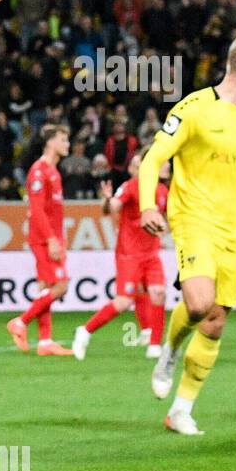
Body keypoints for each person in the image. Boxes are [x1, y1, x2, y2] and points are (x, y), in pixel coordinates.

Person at [139, 34, 236, 435]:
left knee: (215, 322)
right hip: (194, 220)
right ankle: (170, 349)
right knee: (199, 304)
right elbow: (154, 159)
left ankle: (180, 409)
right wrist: (149, 204)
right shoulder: (193, 108)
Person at [72, 149, 169, 361]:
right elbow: (112, 208)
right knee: (124, 302)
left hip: (152, 253)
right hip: (129, 254)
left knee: (158, 293)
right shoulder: (131, 186)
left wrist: (164, 226)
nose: (167, 165)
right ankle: (85, 331)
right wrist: (107, 200)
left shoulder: (162, 190)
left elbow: (167, 218)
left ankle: (154, 345)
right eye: (162, 162)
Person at [7, 124, 74, 356]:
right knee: (61, 286)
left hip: (51, 238)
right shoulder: (39, 171)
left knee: (45, 288)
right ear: (50, 142)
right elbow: (36, 210)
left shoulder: (54, 172)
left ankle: (45, 342)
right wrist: (51, 240)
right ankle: (21, 321)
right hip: (43, 240)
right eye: (63, 140)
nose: (67, 144)